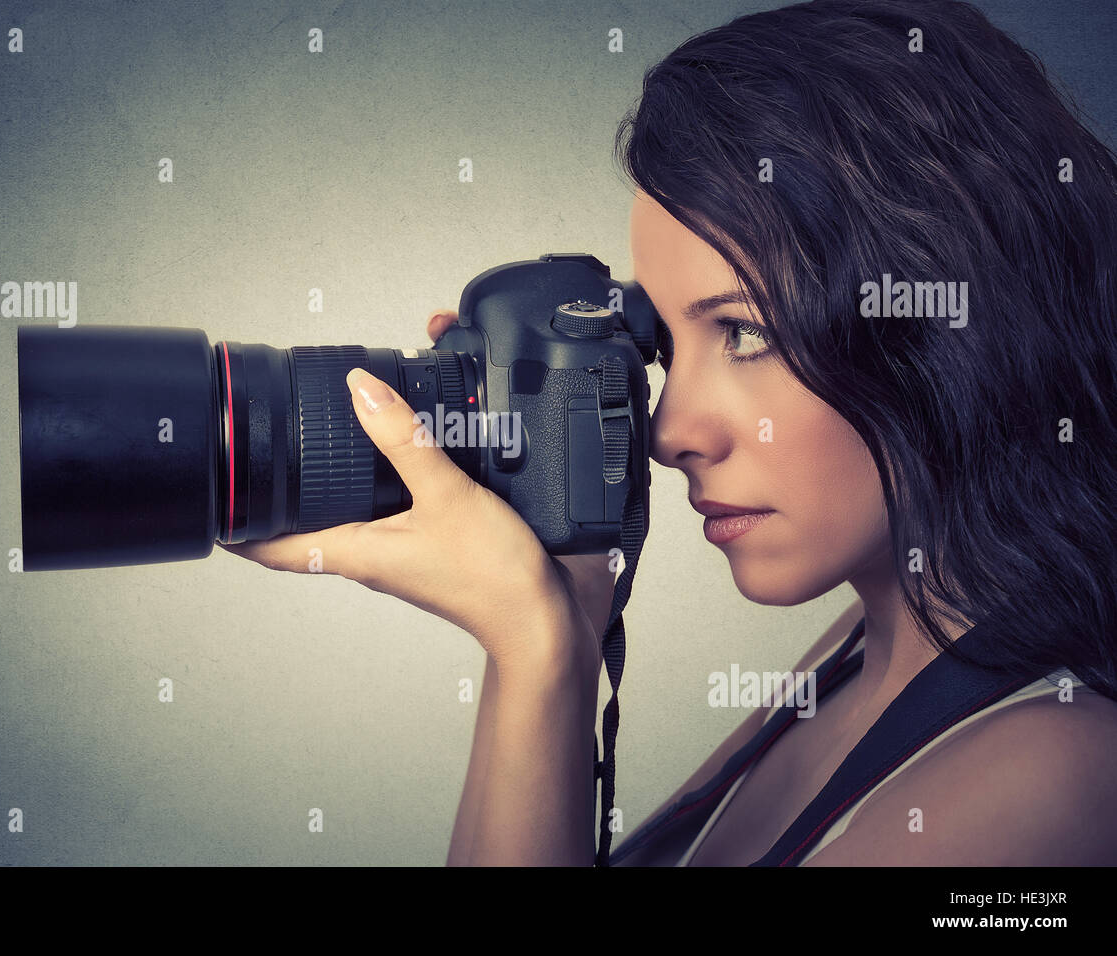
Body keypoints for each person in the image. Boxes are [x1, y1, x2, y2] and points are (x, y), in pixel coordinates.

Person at [220, 0, 1117, 866]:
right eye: (661, 344)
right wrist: (557, 605)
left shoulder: (1050, 776)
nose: (667, 431)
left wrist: (536, 654)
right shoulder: (867, 651)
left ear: (939, 321)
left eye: (745, 332)